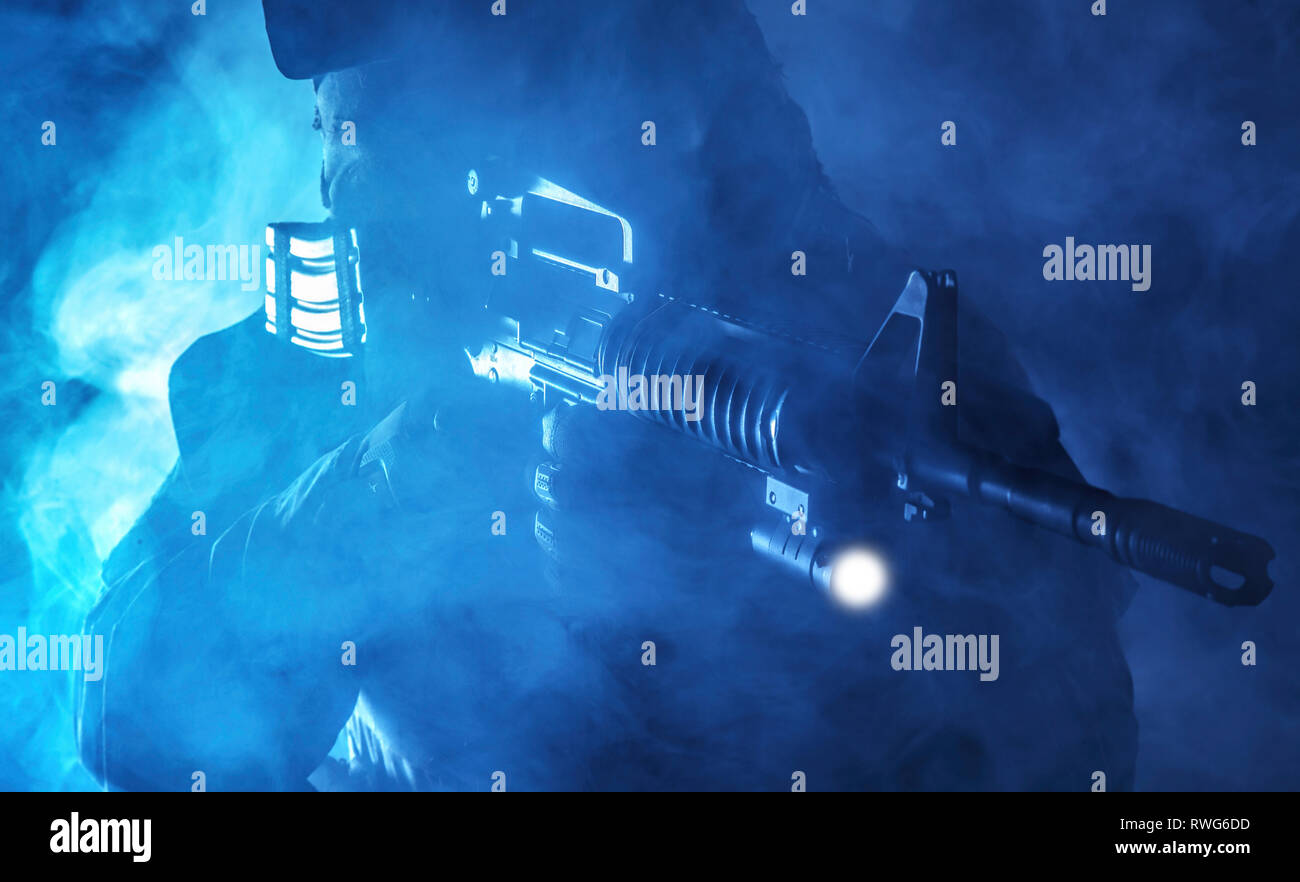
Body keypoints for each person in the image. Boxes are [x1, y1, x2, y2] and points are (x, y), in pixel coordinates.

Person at [76, 0, 1137, 791]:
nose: (360, 190)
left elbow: (1075, 726)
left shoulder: (864, 350)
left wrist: (687, 655)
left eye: (431, 131)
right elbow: (126, 725)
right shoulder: (299, 370)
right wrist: (387, 486)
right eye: (349, 137)